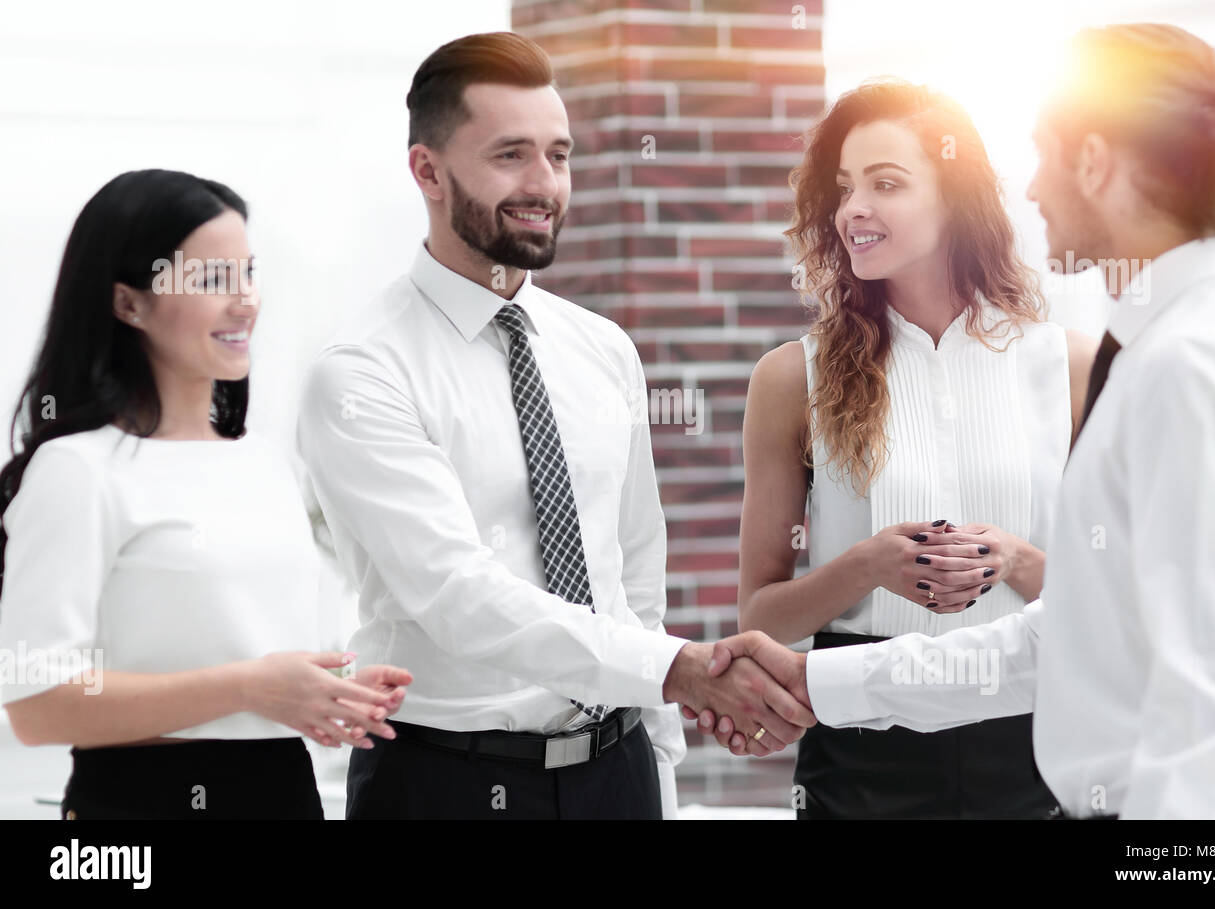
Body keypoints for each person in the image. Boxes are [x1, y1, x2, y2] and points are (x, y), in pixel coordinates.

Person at [689, 23, 1215, 820]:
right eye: (845, 186)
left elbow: (1212, 683)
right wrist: (816, 676)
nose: (1034, 188)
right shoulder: (1168, 348)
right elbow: (1071, 632)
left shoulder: (1185, 364)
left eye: (1045, 153)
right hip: (873, 762)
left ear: (1094, 162)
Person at [294, 32, 815, 821]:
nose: (545, 185)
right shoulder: (363, 372)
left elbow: (633, 576)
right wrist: (678, 667)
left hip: (618, 771)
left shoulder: (601, 349)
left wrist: (659, 771)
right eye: (511, 155)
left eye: (560, 155)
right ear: (427, 172)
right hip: (448, 785)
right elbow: (460, 595)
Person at [730, 79, 1096, 818]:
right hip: (862, 754)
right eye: (843, 189)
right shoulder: (788, 378)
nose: (853, 209)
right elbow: (761, 619)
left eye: (886, 184)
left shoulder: (1071, 365)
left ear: (954, 196)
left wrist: (1018, 561)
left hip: (1035, 744)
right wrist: (869, 565)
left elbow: (1119, 601)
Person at [0, 169, 413, 820]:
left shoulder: (268, 465)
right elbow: (35, 704)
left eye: (247, 274)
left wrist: (332, 690)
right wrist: (253, 687)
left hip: (284, 793)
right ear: (128, 303)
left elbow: (254, 651)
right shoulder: (77, 470)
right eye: (212, 279)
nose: (244, 299)